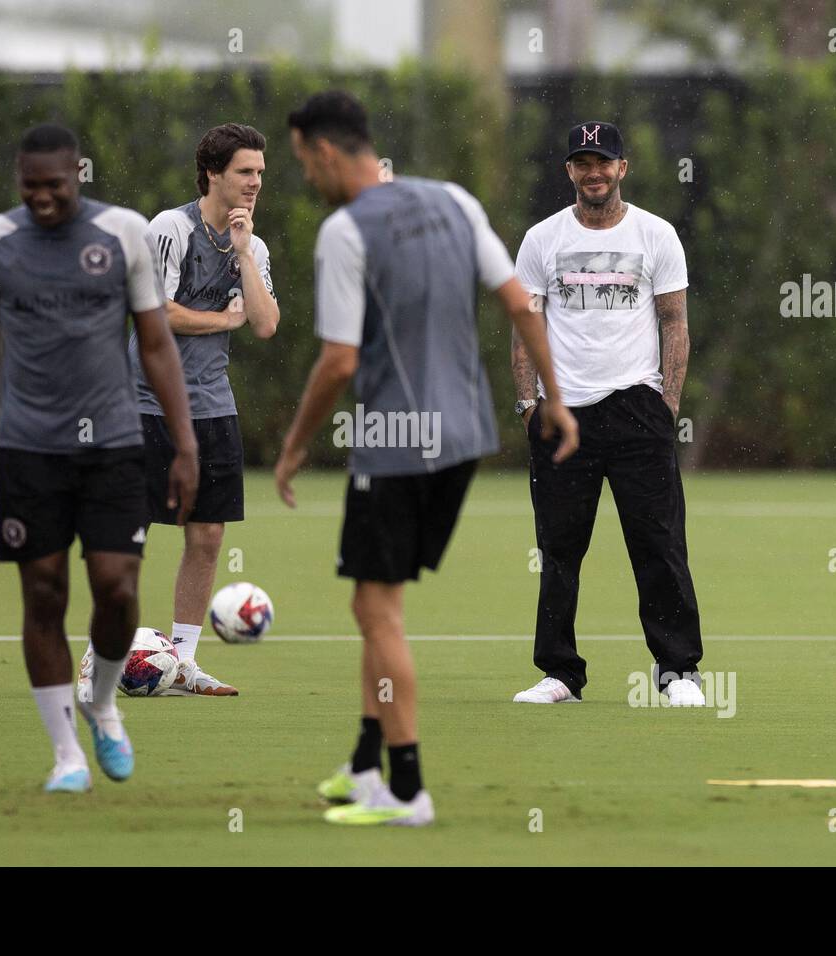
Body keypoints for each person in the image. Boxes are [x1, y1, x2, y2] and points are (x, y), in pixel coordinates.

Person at [276, 91, 579, 826]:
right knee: (373, 601)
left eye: (299, 162)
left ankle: (407, 791)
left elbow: (340, 361)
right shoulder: (452, 199)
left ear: (321, 152)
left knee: (378, 610)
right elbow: (518, 302)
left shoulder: (344, 234)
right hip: (465, 437)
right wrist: (556, 400)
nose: (304, 178)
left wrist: (293, 445)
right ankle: (360, 764)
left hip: (394, 443)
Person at [0, 123, 198, 793]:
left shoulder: (122, 234)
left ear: (78, 175)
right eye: (29, 186)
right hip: (30, 449)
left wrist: (184, 443)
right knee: (43, 594)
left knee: (118, 588)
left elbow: (156, 344)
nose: (42, 197)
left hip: (115, 444)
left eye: (54, 185)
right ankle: (66, 752)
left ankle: (103, 703)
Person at [78, 123, 279, 699]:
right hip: (145, 402)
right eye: (245, 171)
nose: (255, 183)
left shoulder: (253, 245)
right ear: (213, 173)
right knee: (129, 535)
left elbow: (264, 324)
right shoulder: (170, 228)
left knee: (209, 533)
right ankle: (99, 656)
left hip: (212, 405)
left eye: (260, 173)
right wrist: (222, 320)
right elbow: (155, 313)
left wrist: (243, 253)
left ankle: (183, 661)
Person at [510, 121, 705, 706]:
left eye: (604, 162)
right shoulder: (542, 239)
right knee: (560, 547)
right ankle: (560, 673)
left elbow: (675, 322)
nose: (593, 172)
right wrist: (527, 404)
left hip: (636, 406)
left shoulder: (656, 235)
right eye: (582, 162)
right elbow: (526, 325)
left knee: (659, 542)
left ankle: (678, 671)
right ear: (569, 170)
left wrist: (667, 403)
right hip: (562, 410)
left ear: (622, 168)